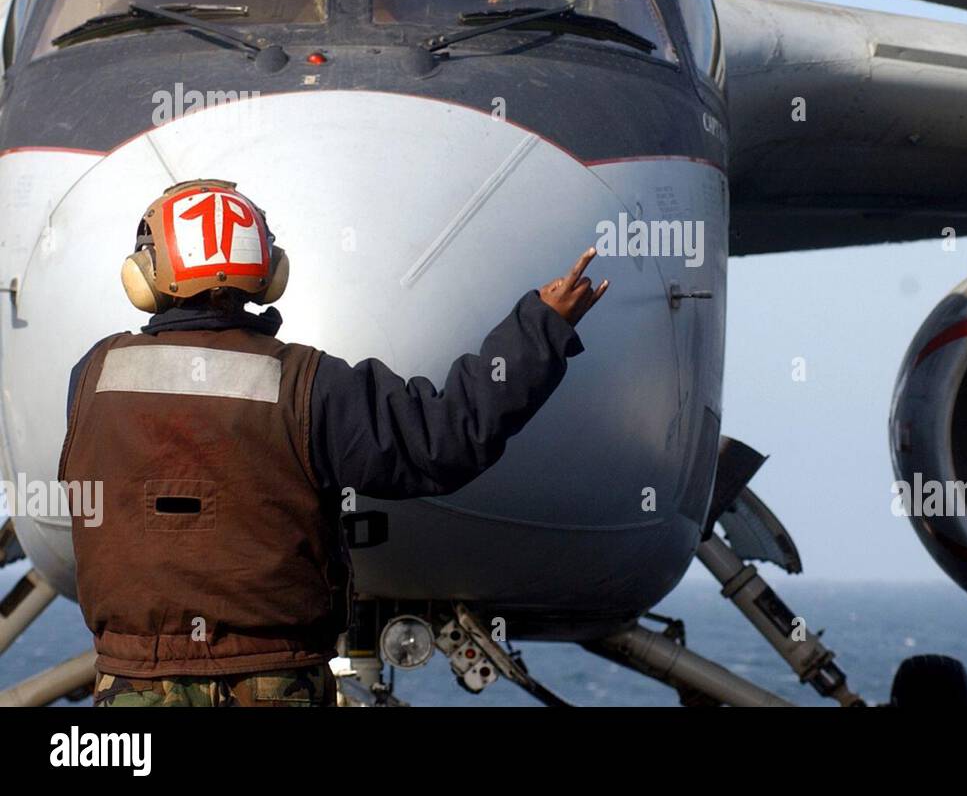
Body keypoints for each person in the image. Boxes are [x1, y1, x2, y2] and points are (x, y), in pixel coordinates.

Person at [58, 179, 608, 707]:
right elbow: (443, 441)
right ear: (268, 273)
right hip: (276, 681)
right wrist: (539, 330)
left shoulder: (92, 378)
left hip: (135, 685)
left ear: (147, 276)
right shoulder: (307, 383)